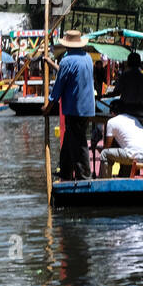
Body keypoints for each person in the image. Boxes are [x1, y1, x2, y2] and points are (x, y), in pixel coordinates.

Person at [43, 30, 95, 181]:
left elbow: (58, 87)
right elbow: (67, 73)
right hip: (86, 107)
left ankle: (84, 177)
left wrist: (48, 107)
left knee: (78, 142)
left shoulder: (67, 61)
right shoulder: (87, 58)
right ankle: (65, 171)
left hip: (75, 108)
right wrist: (50, 62)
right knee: (70, 139)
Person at [101, 104, 143, 176]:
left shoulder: (111, 121)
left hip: (135, 156)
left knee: (104, 153)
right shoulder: (133, 119)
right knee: (127, 151)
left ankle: (105, 183)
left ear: (112, 113)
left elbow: (107, 146)